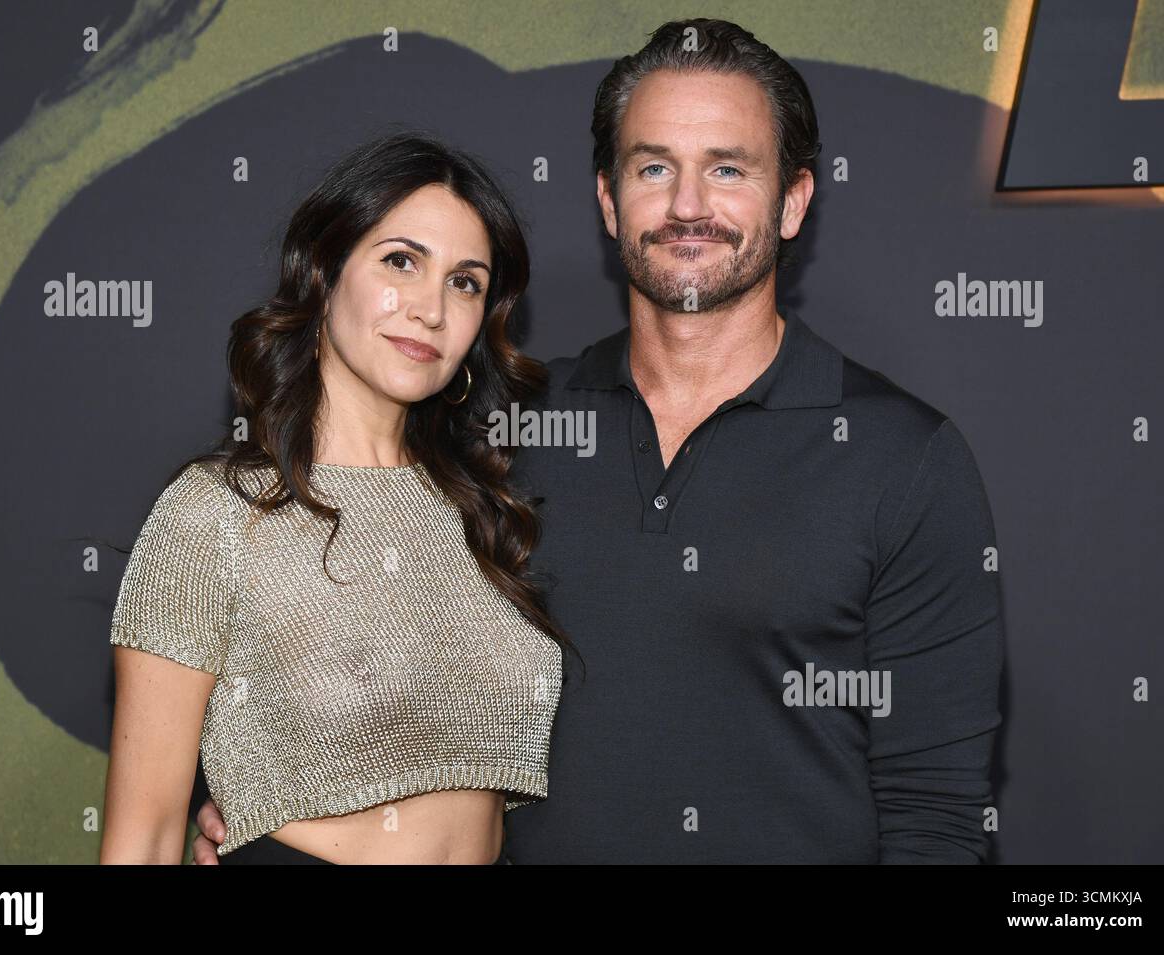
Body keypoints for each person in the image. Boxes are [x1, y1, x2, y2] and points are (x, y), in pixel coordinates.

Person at [193, 18, 1004, 864]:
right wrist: (267, 803)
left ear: (793, 201)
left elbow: (937, 821)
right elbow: (342, 646)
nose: (688, 205)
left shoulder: (903, 459)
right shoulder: (497, 430)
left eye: (727, 169)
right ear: (610, 201)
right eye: (655, 167)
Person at [100, 132, 573, 865]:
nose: (430, 309)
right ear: (324, 272)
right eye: (400, 261)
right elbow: (145, 840)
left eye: (466, 282)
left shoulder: (488, 508)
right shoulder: (215, 515)